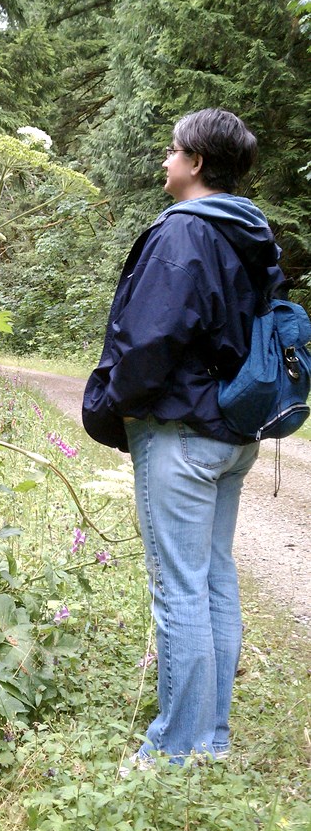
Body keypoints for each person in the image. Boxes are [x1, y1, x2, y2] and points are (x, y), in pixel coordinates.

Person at [82, 108, 284, 768]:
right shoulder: (251, 236)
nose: (164, 161)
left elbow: (149, 341)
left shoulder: (184, 236)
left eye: (172, 151)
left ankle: (173, 751)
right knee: (214, 581)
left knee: (179, 590)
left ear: (196, 163)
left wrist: (114, 405)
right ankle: (210, 741)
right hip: (232, 429)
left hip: (181, 430)